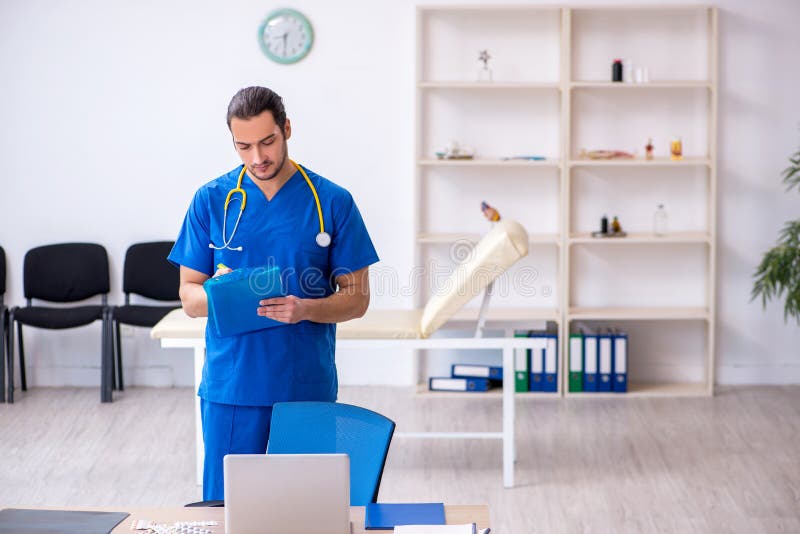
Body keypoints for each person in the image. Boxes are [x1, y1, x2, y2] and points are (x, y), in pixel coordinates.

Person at [168, 86, 379, 501]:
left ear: (286, 129)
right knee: (225, 511)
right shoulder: (212, 200)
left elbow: (357, 298)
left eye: (267, 142)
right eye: (243, 146)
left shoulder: (331, 202)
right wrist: (226, 292)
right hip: (233, 386)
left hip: (304, 386)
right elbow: (189, 298)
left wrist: (307, 309)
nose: (257, 158)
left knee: (307, 513)